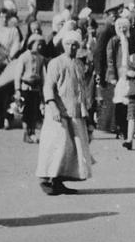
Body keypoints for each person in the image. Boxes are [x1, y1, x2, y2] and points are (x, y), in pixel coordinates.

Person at [35, 31, 94, 195]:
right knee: (56, 145)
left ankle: (58, 180)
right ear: (63, 44)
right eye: (68, 44)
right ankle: (45, 179)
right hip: (58, 112)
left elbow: (82, 89)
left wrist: (86, 112)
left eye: (75, 44)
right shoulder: (55, 63)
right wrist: (52, 105)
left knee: (70, 148)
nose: (72, 47)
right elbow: (48, 86)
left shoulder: (79, 65)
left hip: (75, 111)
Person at [15, 33, 46, 143]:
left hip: (36, 88)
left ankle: (32, 132)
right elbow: (18, 74)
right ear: (31, 44)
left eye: (41, 45)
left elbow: (43, 75)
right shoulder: (24, 57)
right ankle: (26, 133)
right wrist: (18, 90)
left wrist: (44, 88)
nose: (40, 47)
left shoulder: (40, 58)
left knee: (34, 111)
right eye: (38, 44)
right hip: (25, 88)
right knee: (26, 112)